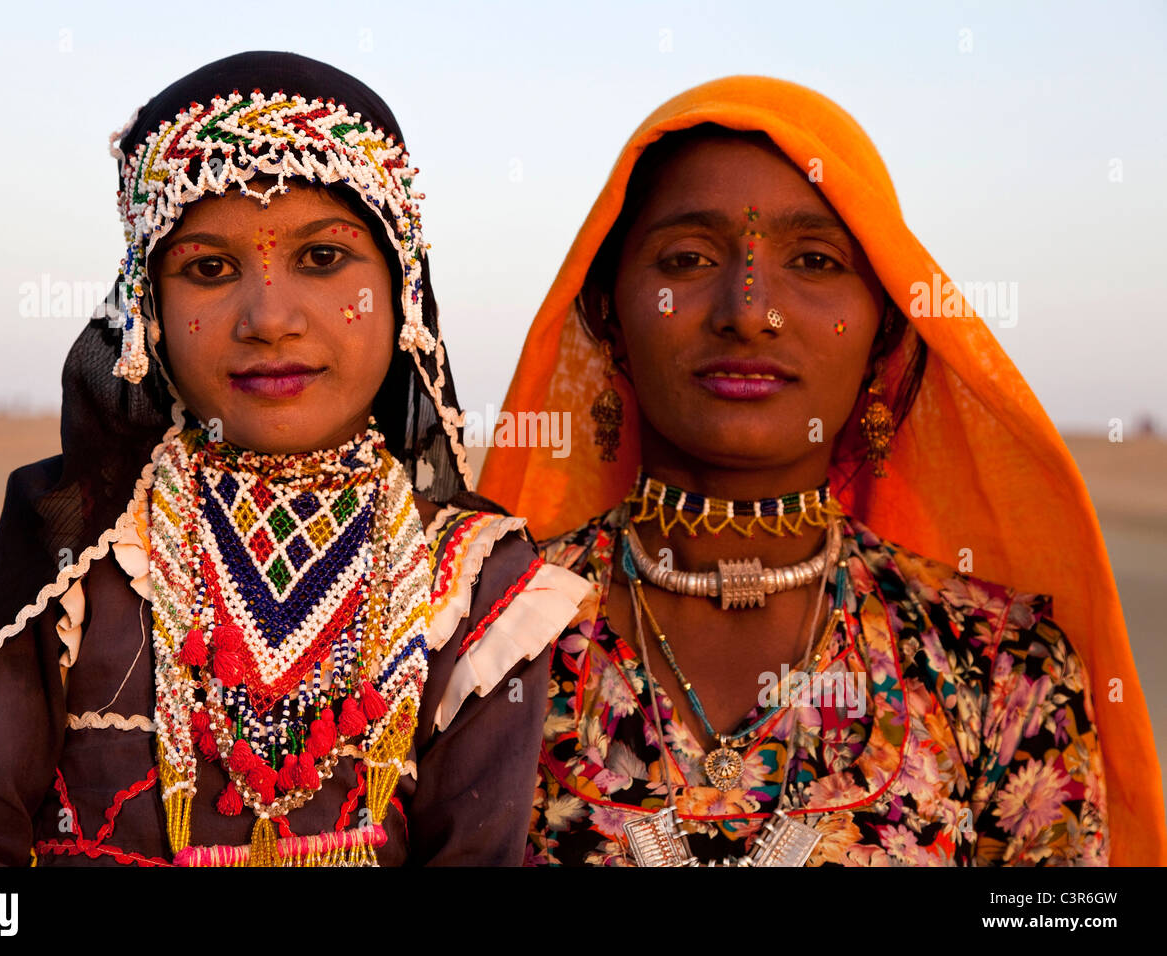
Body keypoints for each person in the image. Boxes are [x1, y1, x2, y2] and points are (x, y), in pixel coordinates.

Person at [0, 50, 588, 867]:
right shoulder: (74, 552)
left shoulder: (477, 583)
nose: (268, 316)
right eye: (209, 269)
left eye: (323, 258)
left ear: (402, 295)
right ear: (147, 310)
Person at [478, 76, 1165, 866]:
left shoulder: (1002, 668)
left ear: (883, 328)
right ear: (609, 311)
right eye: (689, 257)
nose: (749, 308)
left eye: (814, 260)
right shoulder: (487, 641)